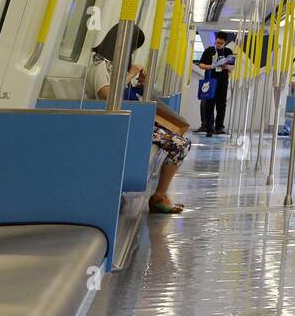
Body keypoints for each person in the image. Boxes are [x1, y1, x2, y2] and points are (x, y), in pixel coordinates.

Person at [86, 24, 192, 214]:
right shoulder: (100, 64)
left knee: (181, 142)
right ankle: (159, 196)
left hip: (130, 120)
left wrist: (142, 85)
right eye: (132, 48)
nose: (132, 53)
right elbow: (106, 94)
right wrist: (130, 74)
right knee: (180, 145)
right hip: (116, 123)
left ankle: (161, 194)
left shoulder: (113, 65)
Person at [197, 30, 234, 136]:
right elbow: (201, 64)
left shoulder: (228, 52)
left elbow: (231, 67)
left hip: (223, 82)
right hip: (210, 81)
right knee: (209, 105)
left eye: (221, 43)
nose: (218, 45)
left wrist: (225, 66)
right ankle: (209, 128)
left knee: (221, 105)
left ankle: (219, 127)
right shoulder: (209, 51)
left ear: (225, 43)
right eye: (217, 43)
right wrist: (210, 66)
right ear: (215, 41)